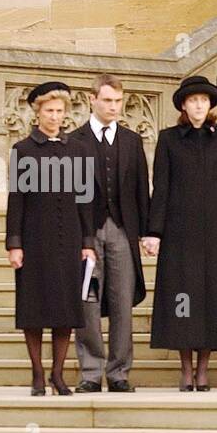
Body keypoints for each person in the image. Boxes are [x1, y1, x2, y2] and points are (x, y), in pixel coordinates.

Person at [144, 76, 217, 391]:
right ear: (184, 106)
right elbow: (160, 187)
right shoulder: (169, 139)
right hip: (179, 233)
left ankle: (204, 369)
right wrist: (154, 231)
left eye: (204, 100)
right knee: (182, 299)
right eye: (193, 101)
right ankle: (186, 368)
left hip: (216, 231)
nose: (199, 106)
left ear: (211, 105)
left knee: (212, 301)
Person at [5, 82, 96, 396]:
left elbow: (86, 199)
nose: (55, 117)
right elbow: (16, 199)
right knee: (34, 309)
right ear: (37, 112)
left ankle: (59, 373)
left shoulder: (78, 150)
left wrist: (88, 241)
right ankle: (38, 374)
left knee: (64, 310)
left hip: (69, 238)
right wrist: (14, 243)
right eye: (49, 111)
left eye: (59, 111)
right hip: (34, 239)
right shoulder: (24, 150)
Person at [68, 73, 151, 393]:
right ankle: (90, 371)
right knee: (87, 302)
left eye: (118, 101)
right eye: (107, 101)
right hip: (86, 234)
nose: (114, 107)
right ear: (92, 99)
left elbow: (142, 189)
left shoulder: (132, 140)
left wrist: (146, 232)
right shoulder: (73, 140)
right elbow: (70, 193)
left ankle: (119, 372)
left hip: (122, 230)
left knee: (122, 302)